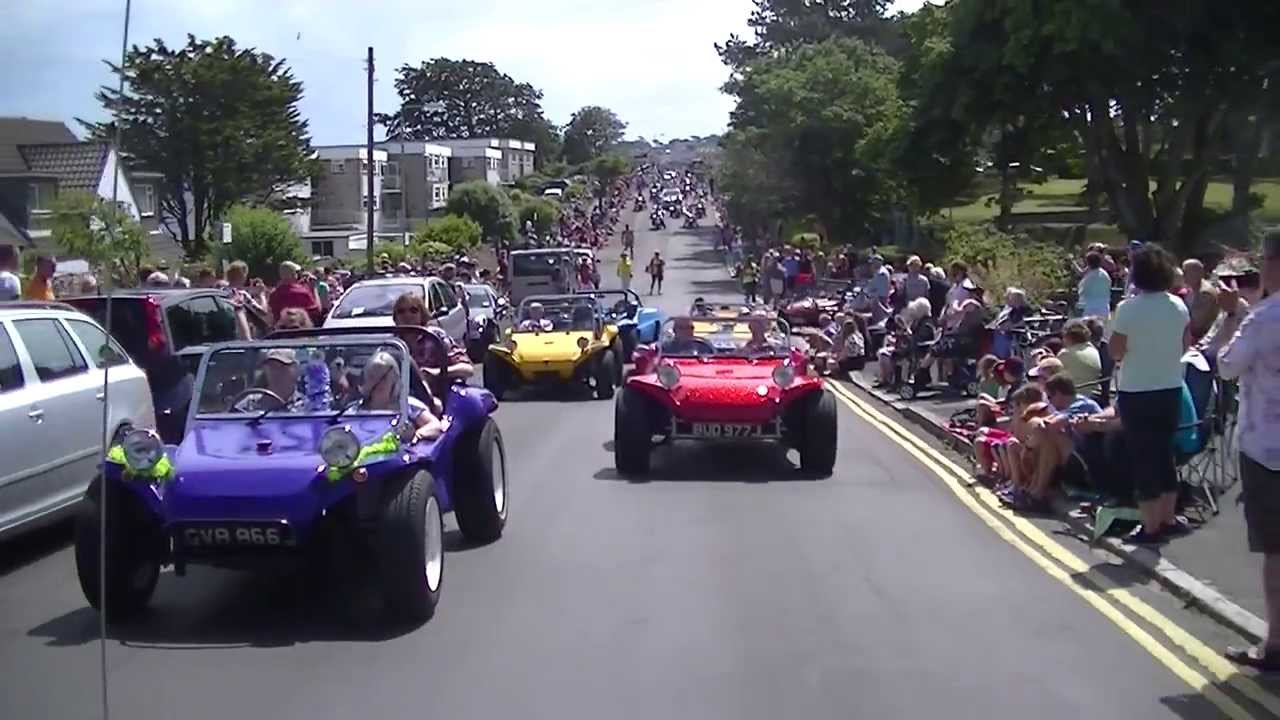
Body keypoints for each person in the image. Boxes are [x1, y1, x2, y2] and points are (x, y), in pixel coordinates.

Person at [1217, 231, 1280, 671]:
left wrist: (1233, 317)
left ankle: (1275, 645)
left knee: (1276, 552)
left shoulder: (1263, 319)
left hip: (1268, 450)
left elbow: (1224, 365)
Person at [1108, 243, 1190, 543]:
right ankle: (1167, 518)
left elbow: (1116, 352)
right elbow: (1185, 345)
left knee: (1143, 457)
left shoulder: (1128, 309)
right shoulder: (1178, 306)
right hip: (1170, 387)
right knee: (1163, 453)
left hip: (1137, 389)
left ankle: (1151, 525)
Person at [360, 351, 446, 443]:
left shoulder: (407, 405)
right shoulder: (356, 408)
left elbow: (435, 425)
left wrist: (417, 435)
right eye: (371, 376)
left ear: (393, 379)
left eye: (382, 377)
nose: (376, 382)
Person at [235, 348, 305, 412]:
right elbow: (230, 424)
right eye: (270, 367)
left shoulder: (305, 405)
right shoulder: (250, 403)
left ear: (294, 369)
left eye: (279, 367)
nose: (274, 373)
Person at [1180, 258, 1220, 342]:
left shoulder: (1205, 294)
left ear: (1198, 273)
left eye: (1185, 272)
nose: (1183, 275)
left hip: (1201, 339)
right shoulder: (1192, 288)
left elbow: (1197, 325)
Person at [269, 261, 321, 325]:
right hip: (302, 331)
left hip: (282, 332)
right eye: (296, 273)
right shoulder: (303, 292)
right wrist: (314, 289)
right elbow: (317, 311)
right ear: (293, 274)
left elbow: (271, 316)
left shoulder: (274, 294)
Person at [1056, 319, 1102, 390]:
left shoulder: (1066, 354)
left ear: (1069, 337)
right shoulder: (1094, 351)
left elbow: (1052, 376)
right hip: (1090, 394)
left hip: (1070, 395)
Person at [1077, 251, 1113, 319]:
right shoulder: (1105, 275)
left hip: (1090, 310)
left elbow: (1082, 292)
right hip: (1104, 309)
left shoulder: (1088, 278)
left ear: (1088, 263)